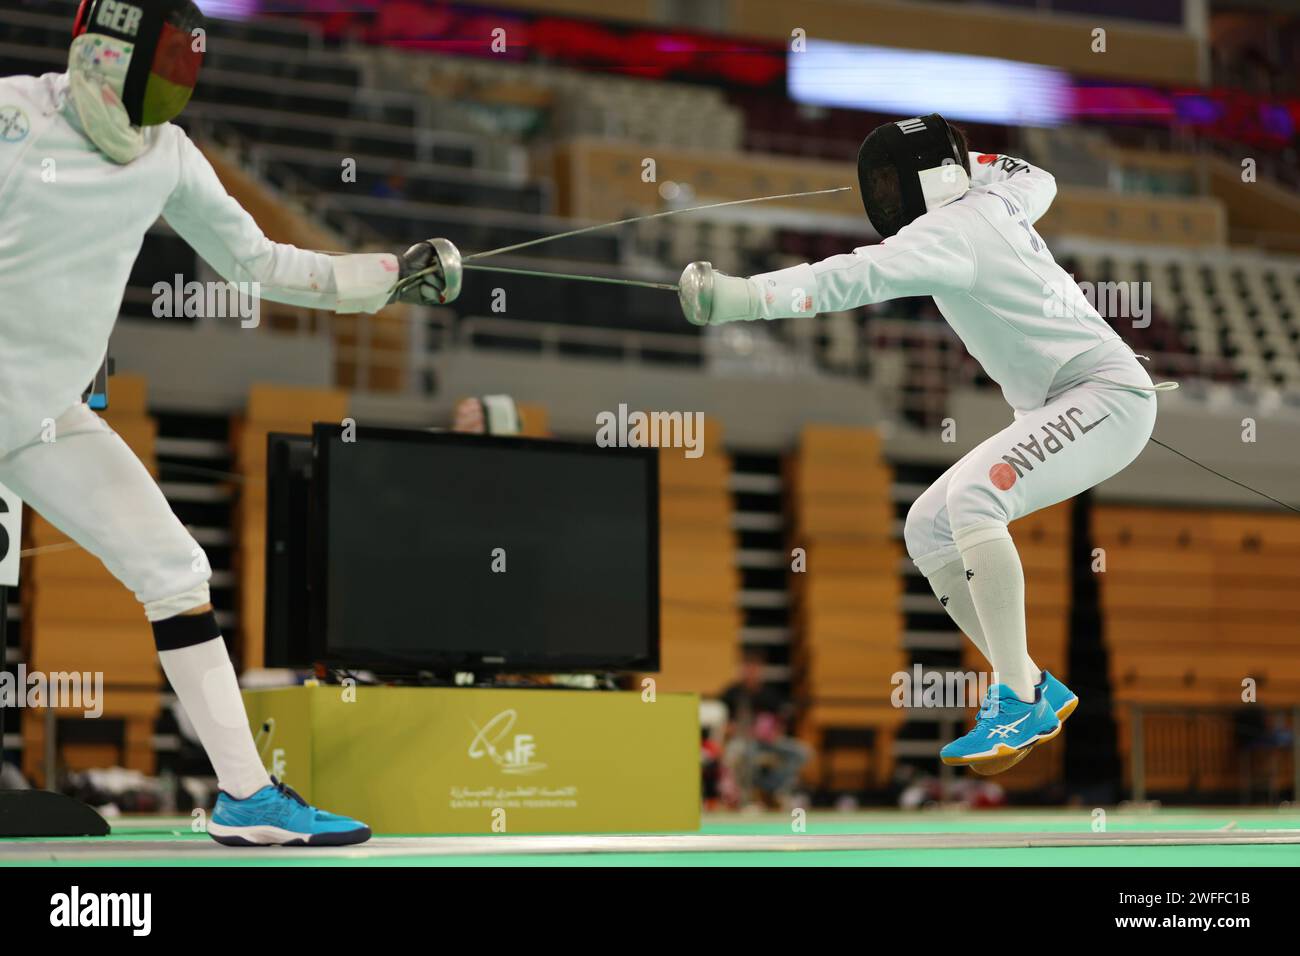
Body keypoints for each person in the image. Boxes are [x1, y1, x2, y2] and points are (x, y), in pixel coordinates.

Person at [0, 0, 456, 844]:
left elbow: (260, 263)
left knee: (175, 566)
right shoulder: (14, 114)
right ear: (111, 53)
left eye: (187, 63)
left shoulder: (166, 154)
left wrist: (388, 280)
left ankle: (247, 798)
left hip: (38, 418)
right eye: (166, 60)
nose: (177, 82)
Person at [680, 114, 1172, 772]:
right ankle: (1032, 682)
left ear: (927, 178)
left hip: (1104, 399)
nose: (882, 194)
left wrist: (738, 298)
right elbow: (1040, 178)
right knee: (928, 527)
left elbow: (844, 279)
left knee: (975, 498)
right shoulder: (997, 195)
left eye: (890, 179)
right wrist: (974, 163)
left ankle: (1016, 697)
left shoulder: (951, 229)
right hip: (1070, 404)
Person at [719, 651, 809, 805]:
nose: (751, 673)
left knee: (801, 752)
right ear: (742, 670)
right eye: (748, 669)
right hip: (741, 739)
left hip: (768, 741)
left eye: (755, 669)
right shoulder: (731, 693)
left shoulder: (770, 694)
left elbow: (781, 721)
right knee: (741, 753)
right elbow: (722, 723)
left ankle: (771, 788)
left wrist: (775, 732)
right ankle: (746, 797)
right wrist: (733, 729)